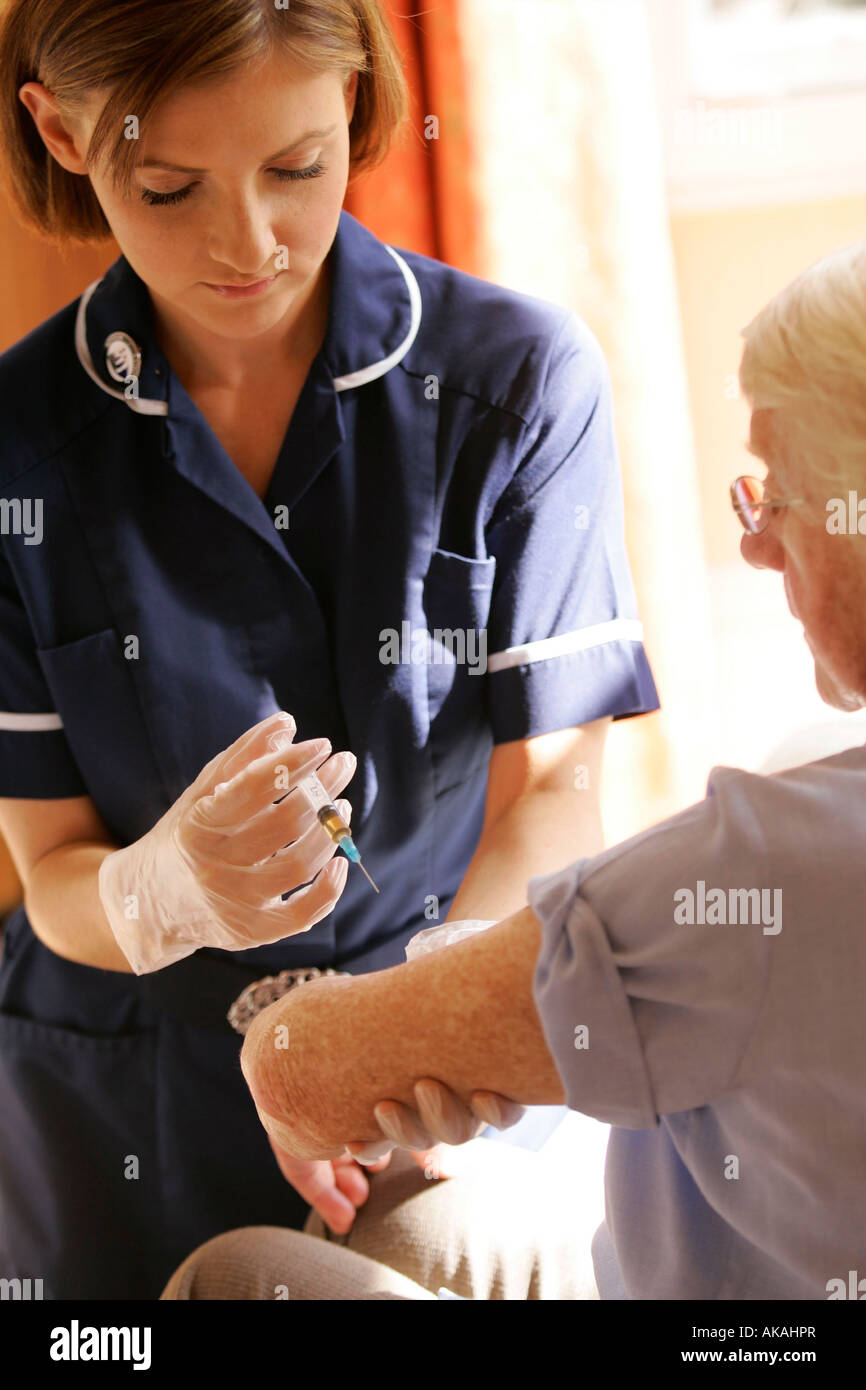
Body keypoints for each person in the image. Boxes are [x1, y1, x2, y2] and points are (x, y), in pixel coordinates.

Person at [0, 0, 658, 1299]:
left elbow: (561, 791)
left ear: (356, 100)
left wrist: (401, 1031)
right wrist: (161, 893)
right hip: (122, 1101)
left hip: (432, 1075)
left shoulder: (516, 383)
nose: (249, 243)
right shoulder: (19, 451)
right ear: (64, 132)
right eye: (171, 185)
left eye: (296, 168)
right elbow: (52, 865)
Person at [235, 239, 866, 1300]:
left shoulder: (779, 861)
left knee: (240, 1274)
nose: (756, 546)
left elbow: (304, 1072)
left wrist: (289, 1021)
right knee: (426, 1226)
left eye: (780, 496)